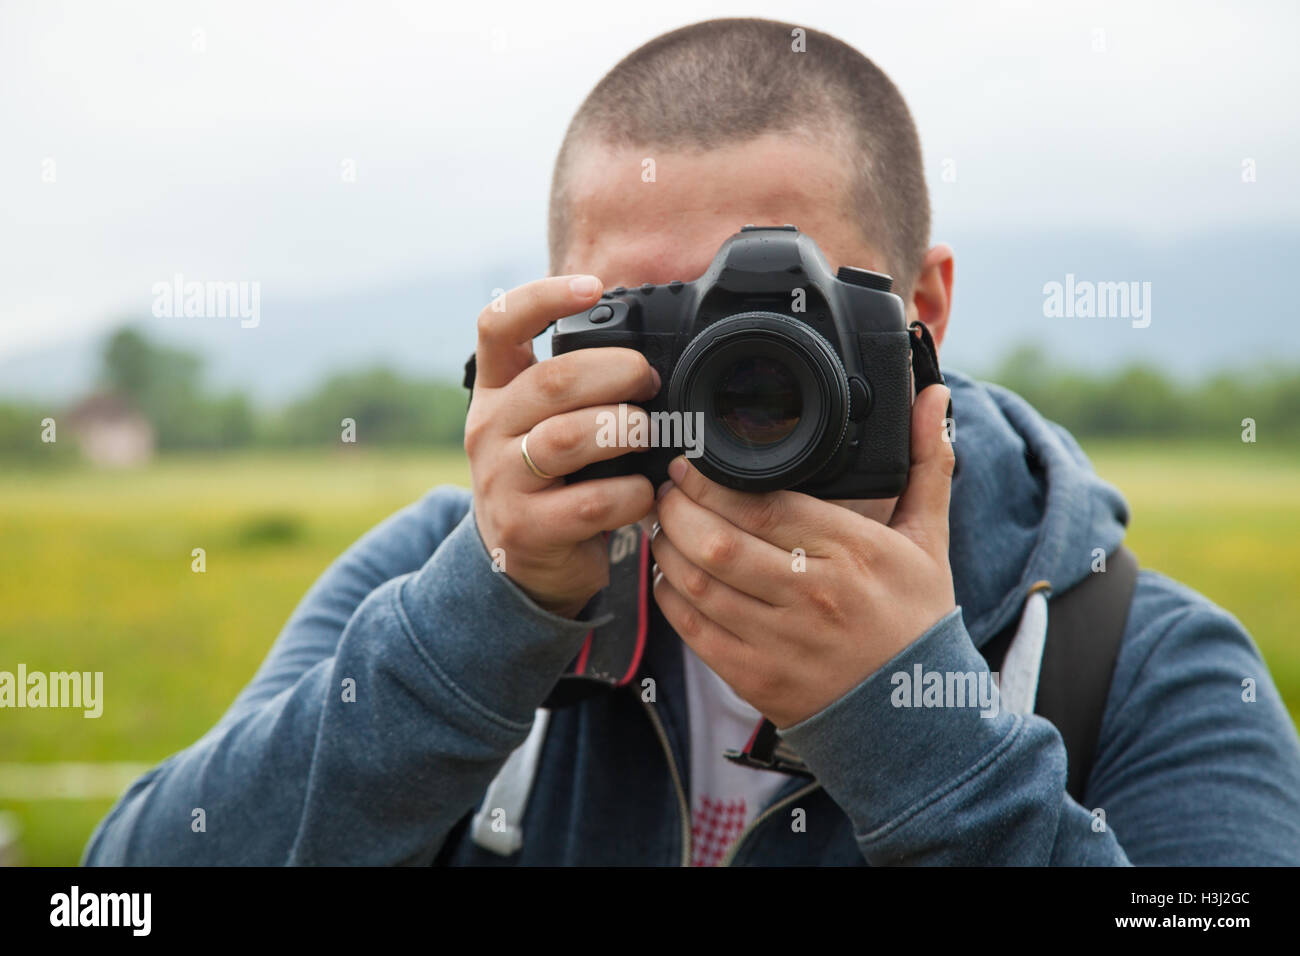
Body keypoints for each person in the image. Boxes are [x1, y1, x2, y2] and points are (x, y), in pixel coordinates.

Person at [83, 17, 1300, 866]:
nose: (729, 385)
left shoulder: (1126, 659)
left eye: (781, 317)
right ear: (564, 319)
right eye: (659, 320)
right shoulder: (454, 577)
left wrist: (914, 723)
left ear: (921, 310)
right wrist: (485, 626)